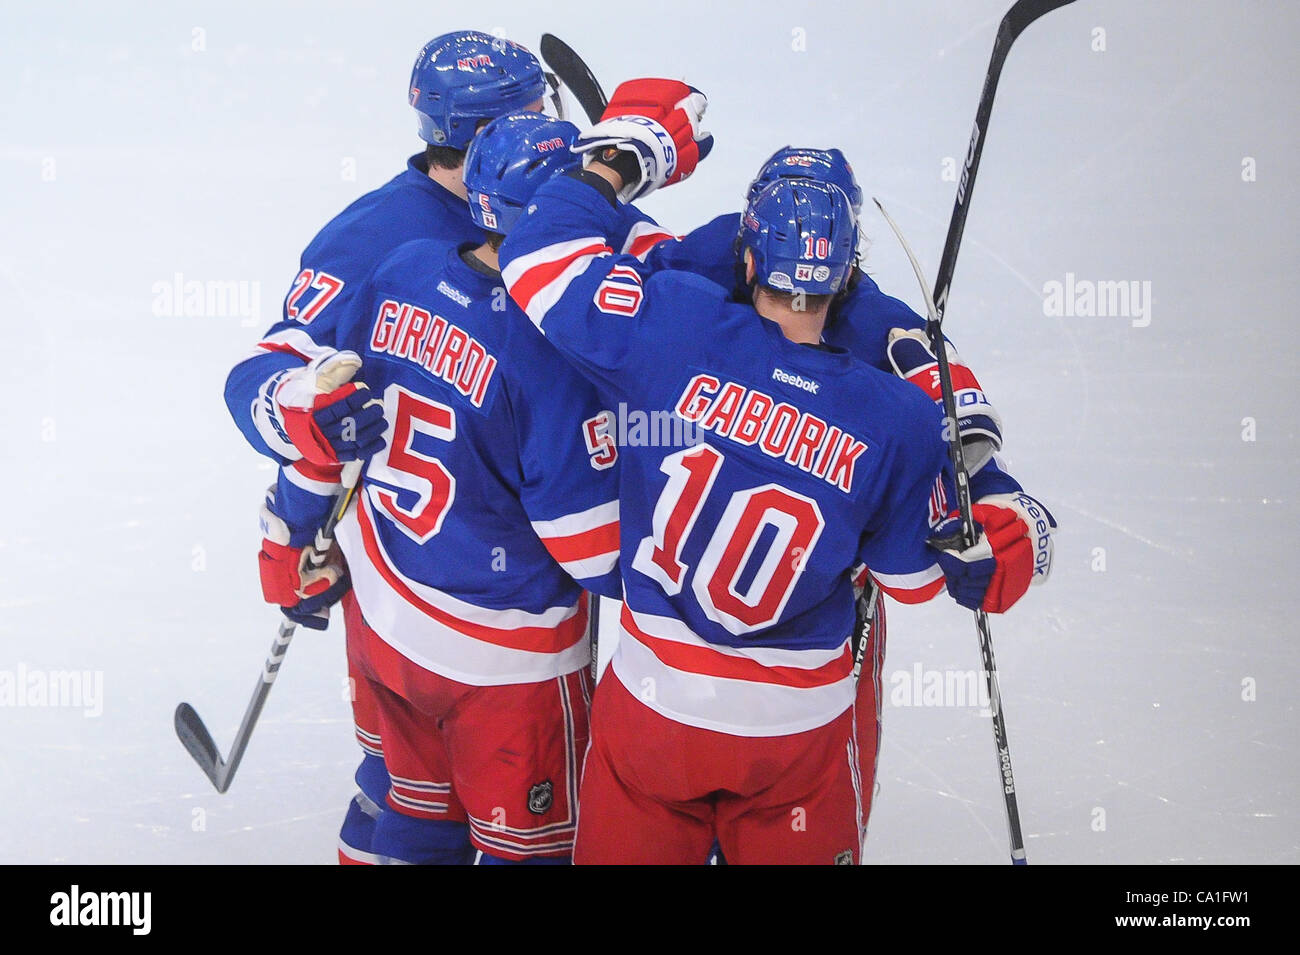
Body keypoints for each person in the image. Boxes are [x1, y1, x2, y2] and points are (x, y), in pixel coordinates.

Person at [499, 78, 1056, 863]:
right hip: (796, 728)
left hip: (657, 698)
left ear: (750, 252)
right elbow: (919, 577)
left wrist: (616, 165)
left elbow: (552, 258)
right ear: (850, 266)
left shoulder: (676, 322)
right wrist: (983, 513)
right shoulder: (893, 418)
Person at [225, 30, 550, 864]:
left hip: (424, 573)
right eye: (536, 113)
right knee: (442, 795)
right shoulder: (377, 235)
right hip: (435, 585)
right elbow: (269, 370)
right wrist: (298, 423)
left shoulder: (545, 217)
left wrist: (294, 527)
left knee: (413, 795)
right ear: (490, 134)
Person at [262, 111, 621, 863]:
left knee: (413, 819)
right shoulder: (553, 347)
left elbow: (339, 423)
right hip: (504, 662)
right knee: (531, 850)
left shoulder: (404, 267)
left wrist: (295, 527)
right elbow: (594, 550)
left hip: (389, 628)